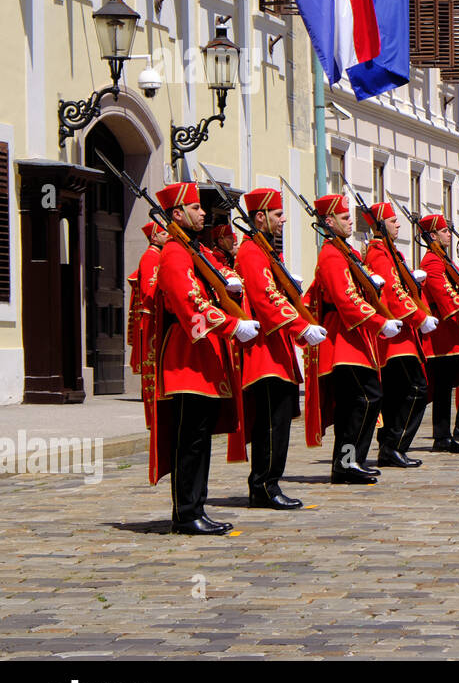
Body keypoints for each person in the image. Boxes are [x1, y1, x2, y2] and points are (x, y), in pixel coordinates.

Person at [145, 182, 259, 535]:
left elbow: (216, 280)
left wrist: (230, 286)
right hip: (184, 359)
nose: (203, 213)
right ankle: (185, 512)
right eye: (195, 208)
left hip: (204, 359)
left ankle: (197, 506)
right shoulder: (175, 254)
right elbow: (188, 305)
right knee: (189, 440)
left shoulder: (194, 251)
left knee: (201, 437)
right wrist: (230, 324)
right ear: (177, 214)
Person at [234, 188, 327, 510]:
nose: (283, 219)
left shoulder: (267, 251)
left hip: (278, 350)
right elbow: (265, 299)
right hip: (264, 354)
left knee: (281, 420)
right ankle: (263, 485)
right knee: (272, 424)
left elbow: (282, 296)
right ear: (260, 217)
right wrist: (301, 327)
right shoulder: (251, 252)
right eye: (277, 214)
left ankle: (269, 482)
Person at [303, 194, 403, 484]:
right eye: (345, 218)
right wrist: (379, 323)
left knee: (361, 402)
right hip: (343, 340)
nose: (350, 223)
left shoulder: (345, 251)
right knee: (361, 400)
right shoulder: (332, 254)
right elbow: (345, 299)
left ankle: (351, 461)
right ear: (329, 221)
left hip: (357, 338)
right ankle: (347, 463)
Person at [365, 202, 440, 468]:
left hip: (405, 334)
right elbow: (393, 295)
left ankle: (391, 447)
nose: (398, 224)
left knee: (401, 393)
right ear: (379, 224)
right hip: (396, 338)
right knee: (415, 389)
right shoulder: (378, 254)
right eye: (392, 220)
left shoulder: (390, 252)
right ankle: (393, 445)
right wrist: (419, 318)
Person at [416, 213, 459, 454]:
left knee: (444, 386)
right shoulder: (432, 261)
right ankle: (446, 433)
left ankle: (444, 435)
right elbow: (443, 294)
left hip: (450, 331)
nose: (449, 235)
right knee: (437, 387)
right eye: (444, 231)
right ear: (432, 236)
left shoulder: (441, 259)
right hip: (441, 332)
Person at [127, 223, 168, 377]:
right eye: (163, 234)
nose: (167, 236)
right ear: (154, 237)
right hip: (152, 315)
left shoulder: (159, 255)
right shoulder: (150, 256)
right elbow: (148, 288)